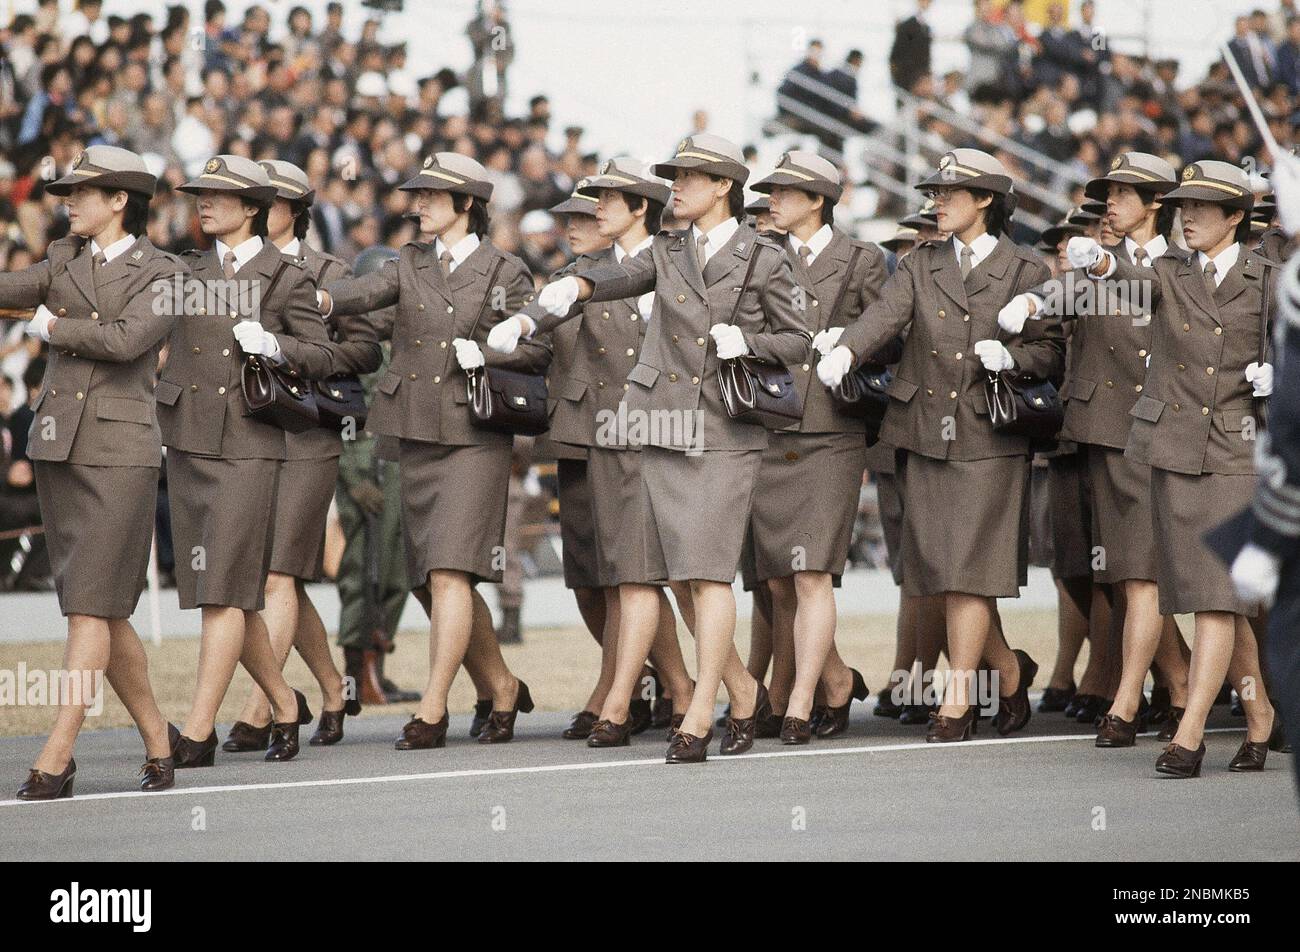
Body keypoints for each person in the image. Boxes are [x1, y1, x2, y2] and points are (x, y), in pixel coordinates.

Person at [494, 135, 810, 762]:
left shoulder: (763, 254)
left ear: (724, 186)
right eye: (675, 178)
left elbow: (798, 339)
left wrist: (748, 342)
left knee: (705, 571)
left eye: (691, 178)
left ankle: (699, 713)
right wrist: (549, 306)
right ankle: (742, 693)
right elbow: (615, 276)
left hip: (723, 424)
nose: (679, 187)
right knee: (685, 577)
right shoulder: (668, 249)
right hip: (661, 424)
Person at [818, 148, 1066, 743]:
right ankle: (1006, 672)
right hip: (925, 428)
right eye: (935, 193)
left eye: (950, 193)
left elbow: (1052, 352)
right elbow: (887, 316)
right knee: (940, 570)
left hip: (987, 431)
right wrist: (849, 349)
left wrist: (1014, 357)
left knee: (969, 571)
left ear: (986, 200)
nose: (937, 203)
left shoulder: (1026, 270)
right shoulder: (922, 263)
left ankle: (958, 698)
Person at [1052, 161, 1280, 777]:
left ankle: (1191, 730)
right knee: (1211, 598)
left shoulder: (1268, 279)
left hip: (1234, 452)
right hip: (1174, 449)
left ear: (1236, 217)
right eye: (1183, 206)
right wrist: (1097, 264)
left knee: (1214, 598)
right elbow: (1128, 282)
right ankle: (1259, 716)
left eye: (1204, 207)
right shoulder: (1169, 270)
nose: (1189, 216)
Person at [317, 152, 549, 750]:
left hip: (474, 435)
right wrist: (322, 301)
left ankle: (432, 707)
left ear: (465, 204)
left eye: (431, 196)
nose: (417, 204)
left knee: (450, 572)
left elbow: (537, 352)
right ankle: (499, 684)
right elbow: (365, 292)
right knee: (428, 579)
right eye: (416, 195)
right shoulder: (409, 262)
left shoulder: (505, 270)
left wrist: (492, 352)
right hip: (415, 432)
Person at [494, 160, 698, 747]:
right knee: (608, 576)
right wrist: (499, 343)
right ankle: (655, 688)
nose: (581, 221)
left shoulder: (675, 259)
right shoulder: (576, 277)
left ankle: (663, 691)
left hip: (668, 432)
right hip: (595, 437)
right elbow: (544, 345)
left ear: (639, 209)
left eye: (598, 206)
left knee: (659, 576)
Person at [4, 146, 184, 799]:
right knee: (104, 613)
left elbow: (128, 341)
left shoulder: (164, 270)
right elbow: (12, 289)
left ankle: (57, 755)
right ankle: (160, 740)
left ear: (119, 201)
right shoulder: (62, 257)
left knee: (88, 610)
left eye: (82, 192)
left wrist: (55, 326)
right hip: (59, 450)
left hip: (119, 456)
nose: (67, 201)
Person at [1004, 152, 1193, 748]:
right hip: (1107, 433)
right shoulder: (1093, 267)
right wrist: (1034, 302)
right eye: (1108, 192)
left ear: (1156, 204)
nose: (1110, 202)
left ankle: (1130, 700)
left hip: (1169, 436)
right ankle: (1179, 683)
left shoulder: (1185, 264)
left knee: (1147, 579)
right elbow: (1069, 291)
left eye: (1124, 193)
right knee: (1123, 577)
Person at [164, 154, 338, 768]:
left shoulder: (285, 276)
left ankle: (198, 728)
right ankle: (286, 704)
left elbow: (321, 355)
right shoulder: (183, 269)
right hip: (188, 441)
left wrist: (277, 345)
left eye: (217, 195)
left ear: (253, 209)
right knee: (231, 594)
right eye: (199, 194)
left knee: (222, 594)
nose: (203, 202)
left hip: (249, 446)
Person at [221, 161, 383, 752]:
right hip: (244, 433)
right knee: (284, 575)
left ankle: (260, 708)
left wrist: (294, 357)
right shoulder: (230, 266)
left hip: (308, 433)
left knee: (278, 574)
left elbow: (365, 351)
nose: (260, 208)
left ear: (294, 210)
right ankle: (334, 694)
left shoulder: (329, 273)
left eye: (271, 201)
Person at [746, 151, 890, 742]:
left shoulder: (861, 259)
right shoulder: (759, 255)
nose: (772, 200)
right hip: (770, 422)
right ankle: (834, 679)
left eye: (784, 191)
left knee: (811, 575)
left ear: (817, 200)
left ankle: (802, 701)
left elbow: (893, 334)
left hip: (831, 430)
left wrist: (851, 343)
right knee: (778, 578)